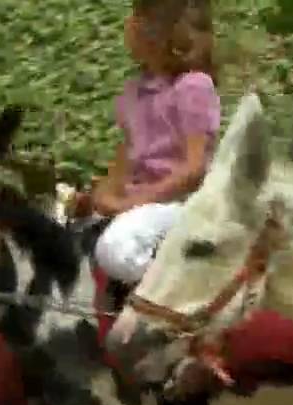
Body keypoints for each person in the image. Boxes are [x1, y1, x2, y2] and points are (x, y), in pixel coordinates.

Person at [83, 0, 220, 286]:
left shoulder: (194, 86)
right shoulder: (133, 91)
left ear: (160, 33)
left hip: (180, 205)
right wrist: (102, 196)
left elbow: (194, 170)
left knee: (116, 249)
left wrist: (133, 202)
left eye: (136, 17)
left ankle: (181, 294)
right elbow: (124, 161)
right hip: (140, 207)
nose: (128, 25)